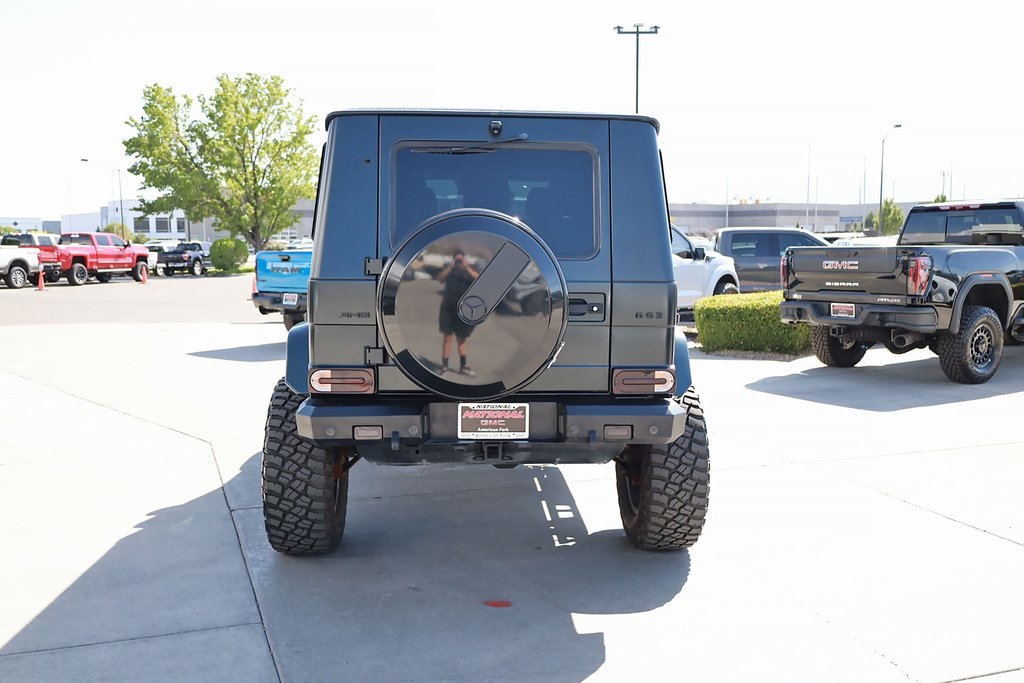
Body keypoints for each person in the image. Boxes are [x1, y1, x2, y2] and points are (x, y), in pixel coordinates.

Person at [437, 248, 479, 376]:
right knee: (447, 338)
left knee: (462, 339)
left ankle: (463, 366)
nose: (459, 259)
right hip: (447, 307)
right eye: (457, 257)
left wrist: (466, 267)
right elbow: (440, 279)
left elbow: (478, 279)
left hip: (463, 308)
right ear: (453, 257)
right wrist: (451, 266)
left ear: (464, 257)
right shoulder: (449, 268)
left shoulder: (469, 269)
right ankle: (444, 367)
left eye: (461, 257)